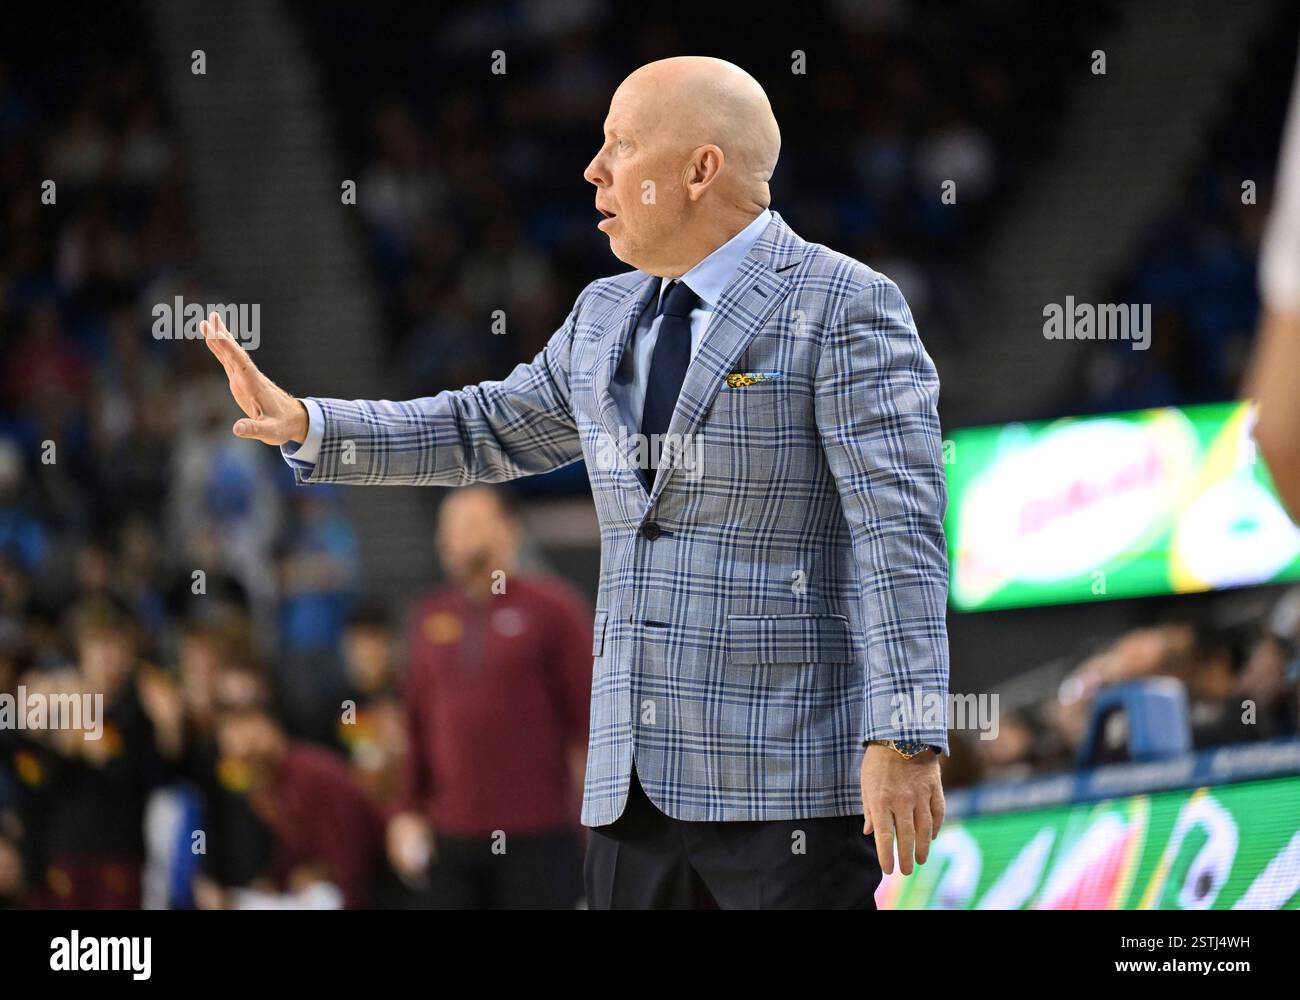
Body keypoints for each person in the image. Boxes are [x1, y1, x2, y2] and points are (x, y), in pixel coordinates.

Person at [202, 55, 949, 909]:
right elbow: (482, 426)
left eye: (621, 145)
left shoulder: (844, 304)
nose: (593, 170)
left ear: (701, 169)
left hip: (785, 787)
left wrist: (908, 731)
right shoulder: (602, 314)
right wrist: (311, 425)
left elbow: (902, 534)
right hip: (632, 796)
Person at [387, 485, 590, 909]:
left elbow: (589, 726)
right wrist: (406, 810)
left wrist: (597, 824)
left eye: (467, 525)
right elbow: (417, 724)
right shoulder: (429, 614)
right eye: (447, 528)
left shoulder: (554, 609)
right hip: (451, 835)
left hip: (538, 834)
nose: (451, 538)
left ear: (508, 530)